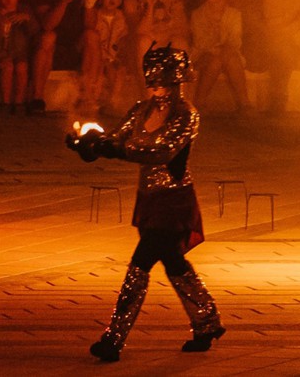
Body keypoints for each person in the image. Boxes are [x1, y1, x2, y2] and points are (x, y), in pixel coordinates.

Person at [66, 45, 223, 362]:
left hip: (174, 200)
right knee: (174, 264)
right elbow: (117, 138)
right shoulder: (141, 109)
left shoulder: (186, 114)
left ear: (175, 78)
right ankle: (207, 320)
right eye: (150, 78)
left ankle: (113, 339)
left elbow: (163, 152)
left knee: (139, 266)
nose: (153, 84)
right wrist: (88, 144)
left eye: (159, 78)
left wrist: (115, 150)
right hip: (149, 198)